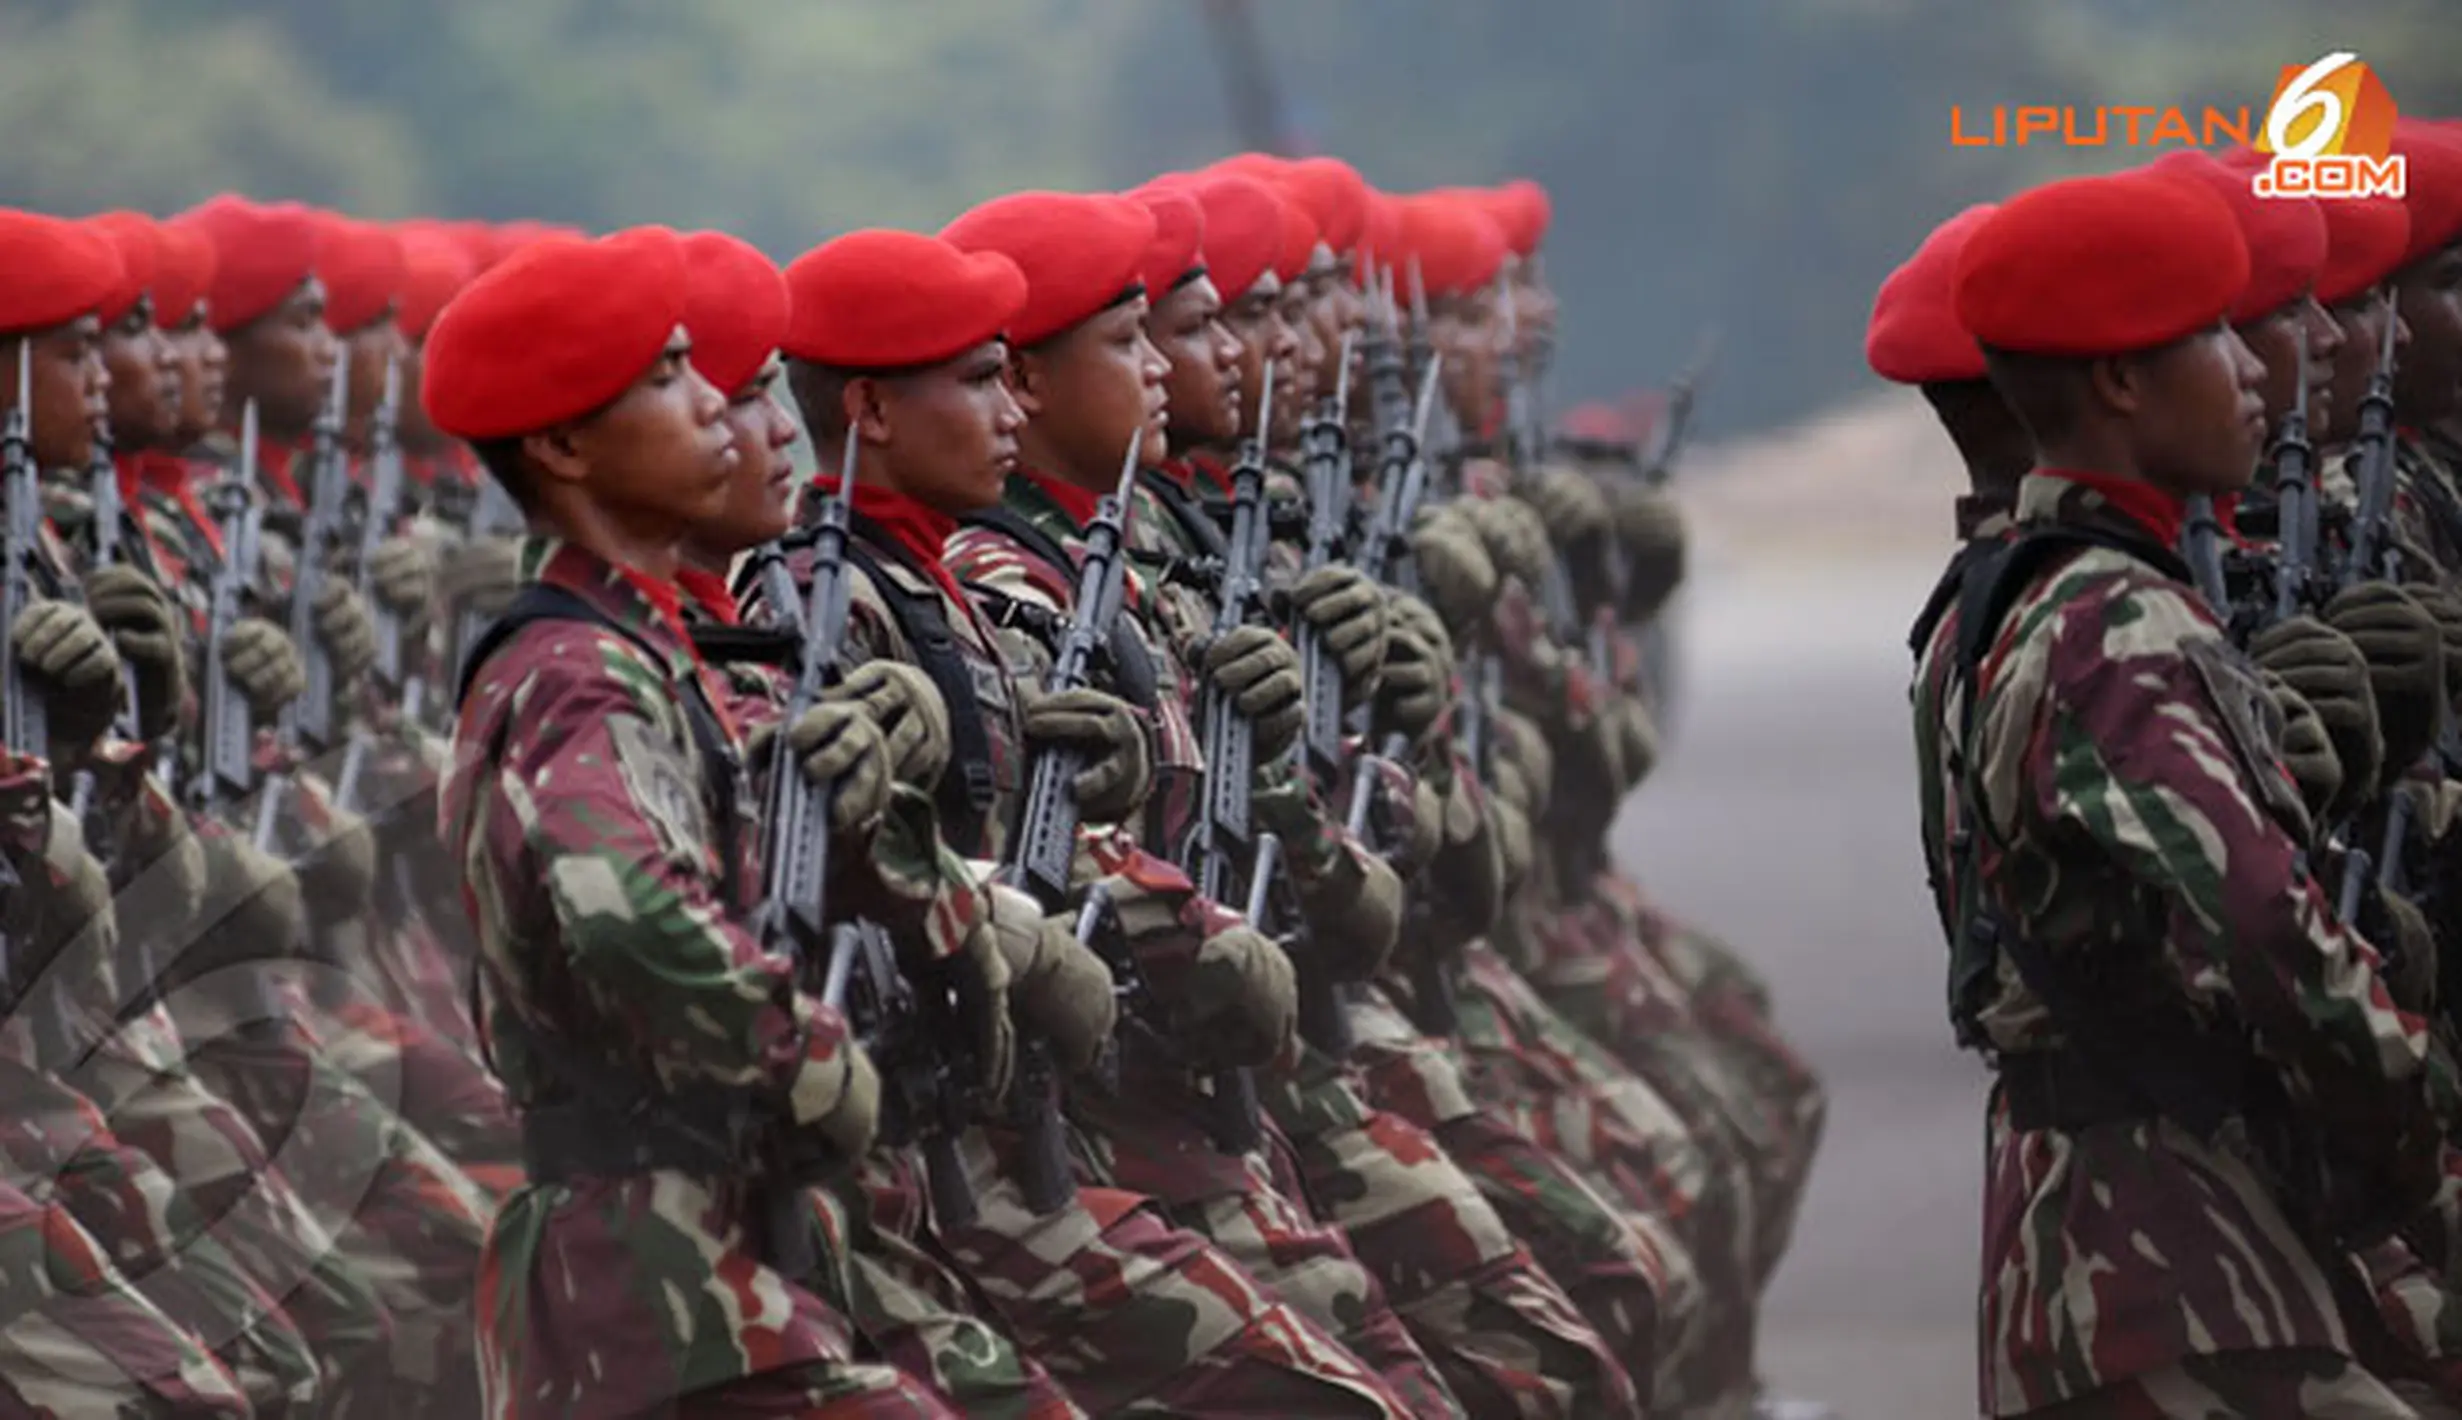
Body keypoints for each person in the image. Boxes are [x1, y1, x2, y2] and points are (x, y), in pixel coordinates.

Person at [1912, 163, 2452, 1418]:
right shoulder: (2111, 618)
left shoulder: (1999, 591)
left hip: (2128, 1249)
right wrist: (2417, 1140)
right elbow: (2265, 925)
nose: (2262, 364)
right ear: (2115, 382)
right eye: (2213, 334)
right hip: (2173, 1265)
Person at [431, 226, 943, 1418]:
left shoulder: (644, 646)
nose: (717, 404)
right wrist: (811, 1058)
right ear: (562, 445)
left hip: (710, 1252)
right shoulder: (577, 671)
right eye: (667, 378)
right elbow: (628, 916)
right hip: (648, 1287)